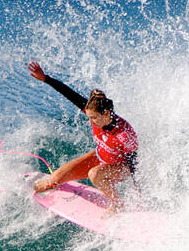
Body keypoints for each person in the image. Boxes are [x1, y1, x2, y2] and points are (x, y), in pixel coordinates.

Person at [27, 61, 138, 210]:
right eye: (89, 117)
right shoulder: (94, 112)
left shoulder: (124, 133)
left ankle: (117, 205)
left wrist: (138, 193)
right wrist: (46, 78)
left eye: (94, 118)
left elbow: (133, 164)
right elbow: (69, 94)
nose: (91, 121)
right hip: (99, 157)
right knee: (54, 179)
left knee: (94, 174)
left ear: (105, 113)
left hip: (121, 167)